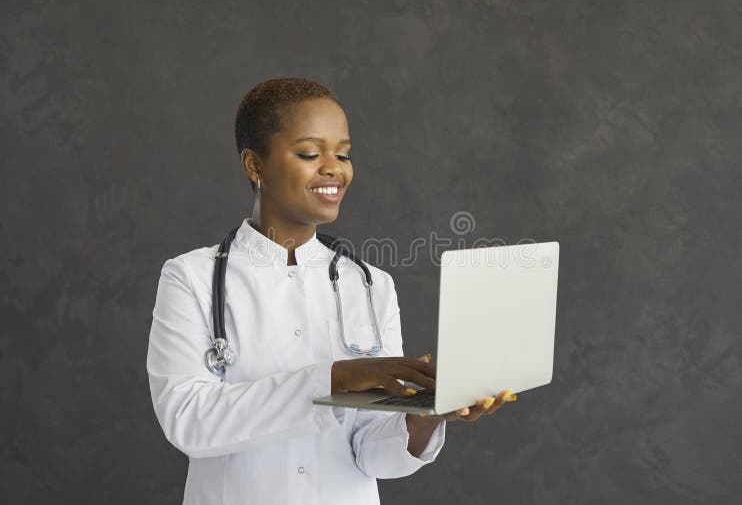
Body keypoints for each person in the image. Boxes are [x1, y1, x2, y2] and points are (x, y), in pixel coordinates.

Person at [146, 77, 517, 504]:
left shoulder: (371, 285)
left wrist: (429, 415)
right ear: (255, 165)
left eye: (343, 154)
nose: (334, 169)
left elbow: (372, 451)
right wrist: (334, 379)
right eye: (310, 153)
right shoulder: (191, 278)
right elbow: (188, 422)